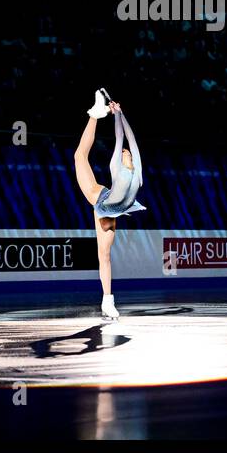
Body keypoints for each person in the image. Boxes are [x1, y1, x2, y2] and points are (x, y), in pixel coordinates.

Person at [74, 89, 145, 320]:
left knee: (104, 255)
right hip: (101, 199)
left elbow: (131, 139)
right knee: (79, 157)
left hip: (111, 212)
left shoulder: (138, 174)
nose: (125, 152)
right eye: (123, 152)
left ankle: (107, 301)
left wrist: (121, 114)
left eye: (127, 153)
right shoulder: (116, 165)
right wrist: (115, 115)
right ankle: (94, 115)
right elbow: (120, 138)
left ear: (131, 159)